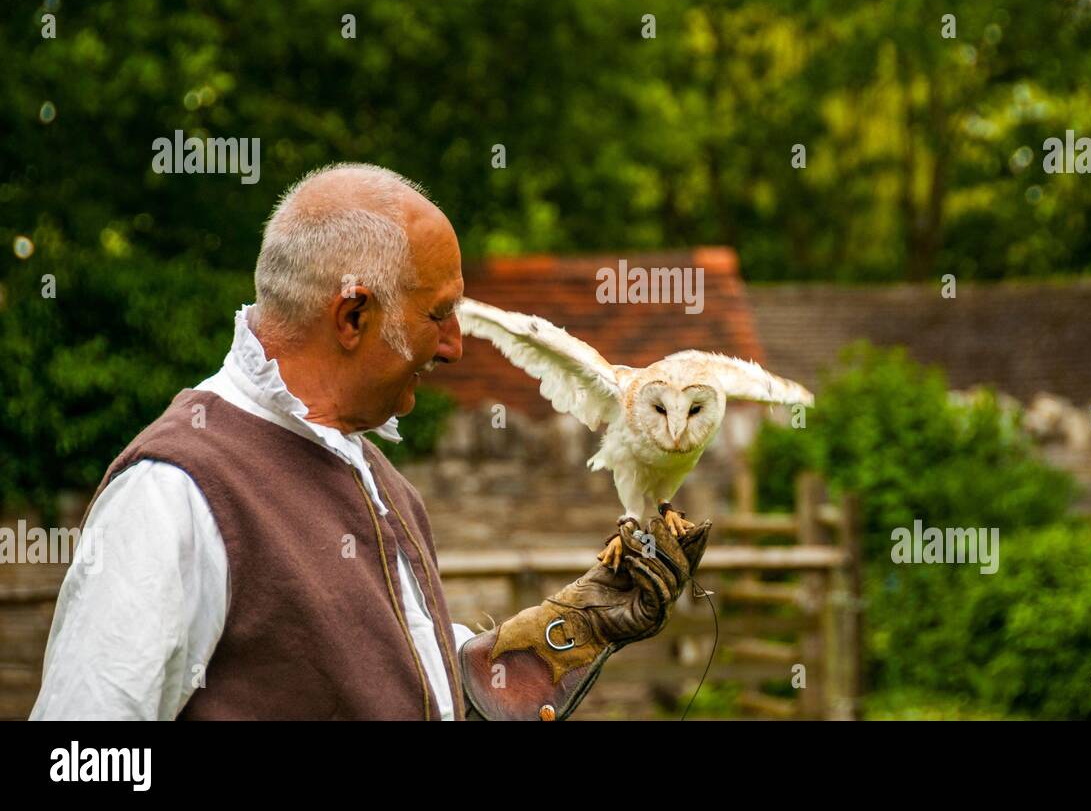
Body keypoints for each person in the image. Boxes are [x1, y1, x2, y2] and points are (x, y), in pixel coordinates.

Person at [30, 163, 709, 721]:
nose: (454, 346)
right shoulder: (176, 491)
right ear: (352, 315)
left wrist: (576, 627)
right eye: (439, 315)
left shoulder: (383, 484)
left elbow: (407, 691)